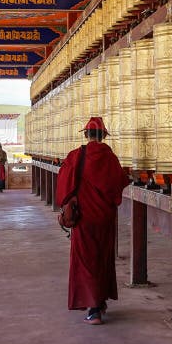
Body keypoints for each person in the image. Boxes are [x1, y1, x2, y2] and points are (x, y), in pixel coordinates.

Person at [55, 117, 129, 325]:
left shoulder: (75, 156)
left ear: (86, 135)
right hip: (104, 218)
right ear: (104, 136)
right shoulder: (110, 158)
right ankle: (100, 301)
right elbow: (119, 184)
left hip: (84, 218)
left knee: (86, 261)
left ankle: (93, 308)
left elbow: (63, 186)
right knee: (103, 258)